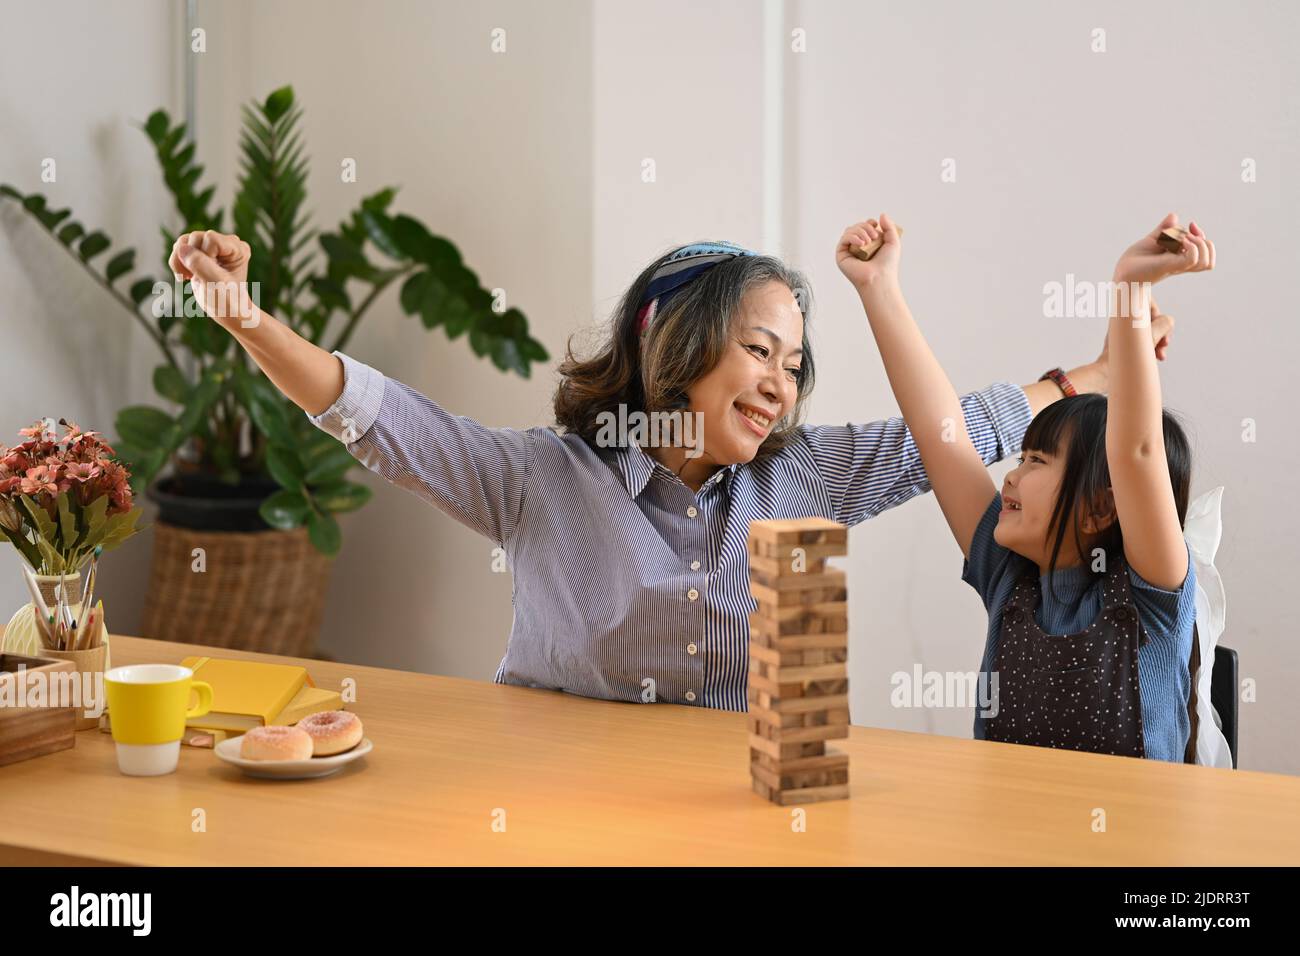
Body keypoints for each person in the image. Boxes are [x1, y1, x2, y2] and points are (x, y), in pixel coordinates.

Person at [168, 226, 1173, 711]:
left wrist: (1089, 370)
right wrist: (245, 318)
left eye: (792, 362)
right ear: (675, 341)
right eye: (756, 349)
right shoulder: (539, 478)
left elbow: (959, 428)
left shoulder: (813, 474)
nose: (781, 381)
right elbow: (377, 415)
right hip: (552, 802)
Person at [840, 211, 1214, 759]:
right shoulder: (1007, 576)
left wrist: (1130, 291)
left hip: (1134, 845)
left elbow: (1136, 453)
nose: (1011, 475)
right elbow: (939, 432)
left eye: (1037, 460)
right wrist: (877, 287)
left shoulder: (1151, 594)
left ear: (1102, 507)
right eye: (1021, 456)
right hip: (1011, 839)